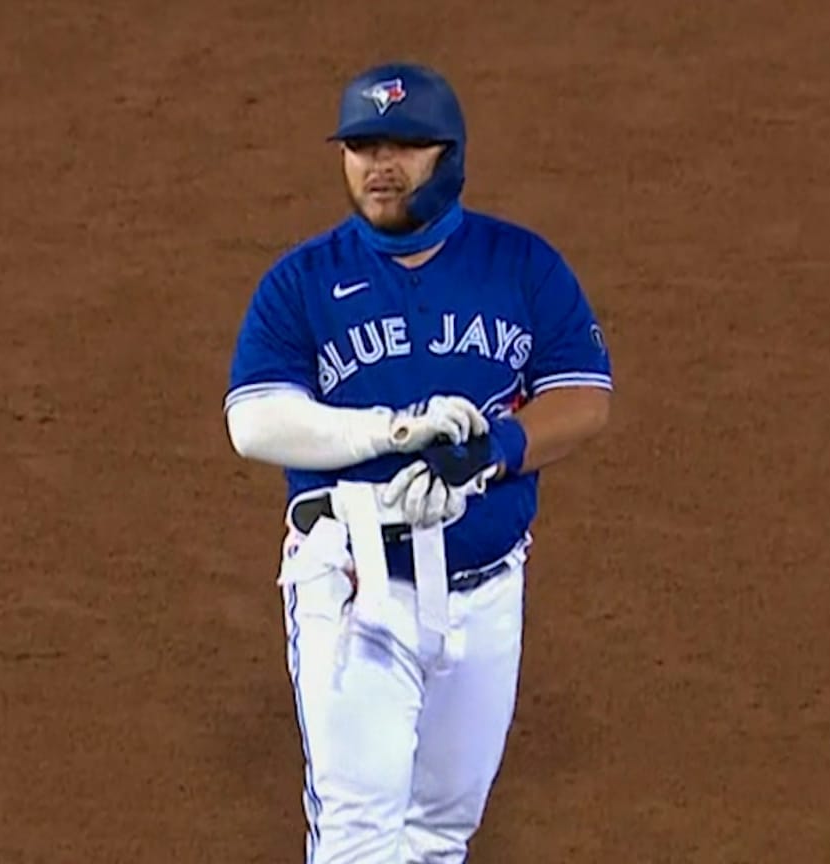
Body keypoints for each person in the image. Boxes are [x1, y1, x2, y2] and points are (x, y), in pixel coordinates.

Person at [221, 61, 613, 863]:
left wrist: (497, 449)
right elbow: (254, 422)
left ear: (451, 156)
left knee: (439, 839)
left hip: (488, 592)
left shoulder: (523, 266)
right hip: (356, 585)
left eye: (405, 145)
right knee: (362, 844)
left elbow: (583, 400)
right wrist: (392, 434)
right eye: (363, 146)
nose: (380, 165)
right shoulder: (302, 282)